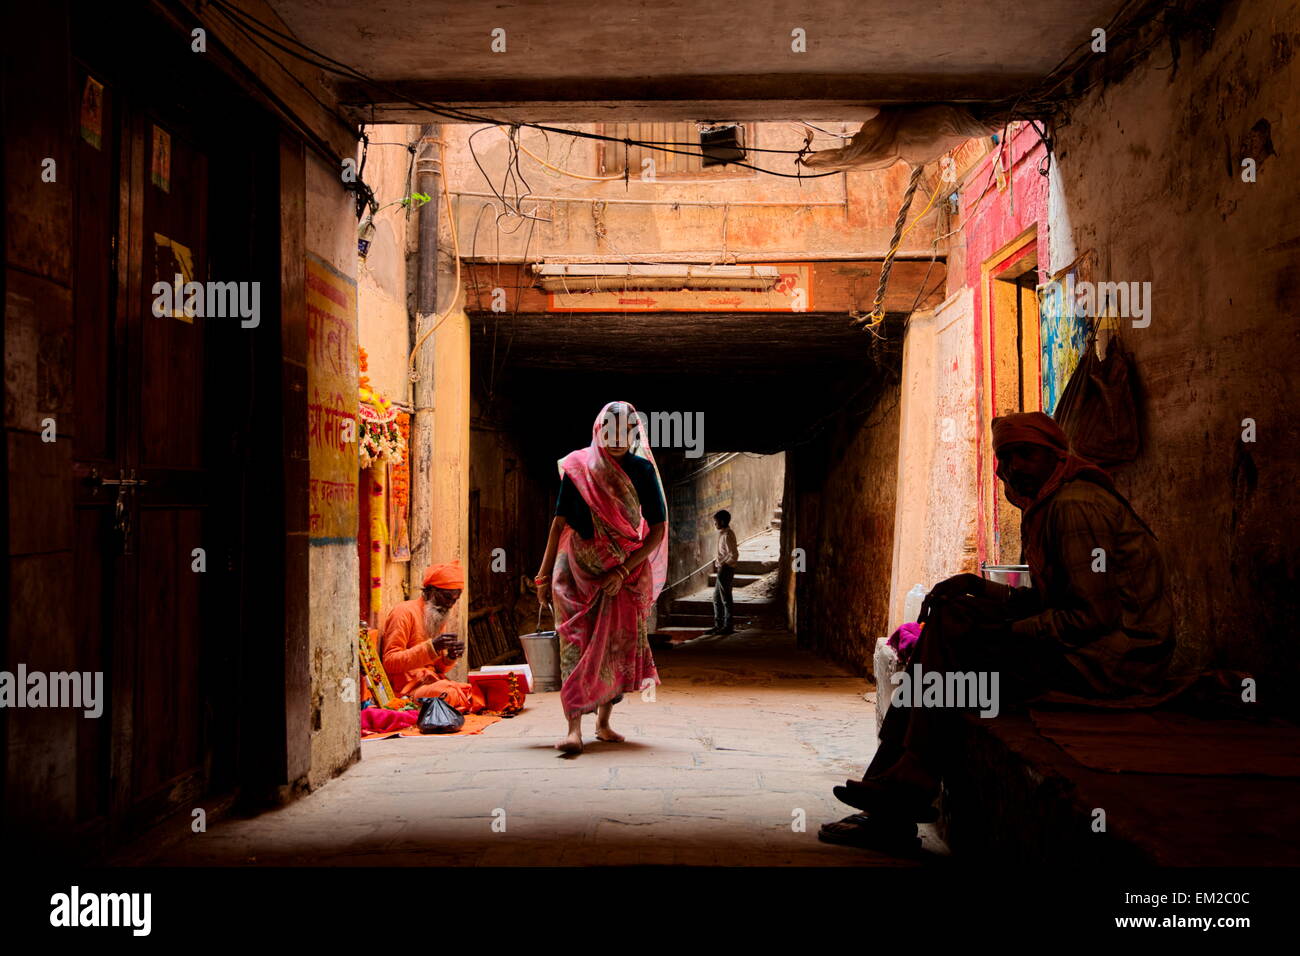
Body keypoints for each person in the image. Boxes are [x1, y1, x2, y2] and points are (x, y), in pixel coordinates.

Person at [820, 411, 1174, 854]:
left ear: (1055, 455)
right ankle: (902, 780)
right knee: (951, 617)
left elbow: (1089, 618)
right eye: (1005, 458)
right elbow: (1051, 602)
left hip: (1113, 660)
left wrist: (1002, 635)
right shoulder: (1048, 503)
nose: (1013, 467)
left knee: (951, 646)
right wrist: (975, 588)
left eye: (1026, 454)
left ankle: (902, 785)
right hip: (1086, 648)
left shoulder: (1075, 506)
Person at [535, 401, 668, 754]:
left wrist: (624, 570)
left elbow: (657, 530)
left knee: (614, 647)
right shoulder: (579, 466)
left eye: (625, 432)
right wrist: (543, 573)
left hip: (622, 575)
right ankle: (573, 728)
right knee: (574, 646)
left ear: (634, 434)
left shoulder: (641, 471)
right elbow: (558, 523)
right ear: (598, 431)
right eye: (609, 431)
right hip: (573, 572)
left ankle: (604, 723)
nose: (616, 439)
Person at [379, 561, 481, 713]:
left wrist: (450, 657)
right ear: (431, 591)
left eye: (455, 599)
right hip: (407, 691)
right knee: (449, 693)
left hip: (432, 683)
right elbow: (390, 662)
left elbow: (439, 669)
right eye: (447, 598)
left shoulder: (437, 615)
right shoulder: (404, 612)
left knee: (485, 691)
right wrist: (431, 647)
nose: (450, 604)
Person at [701, 509, 739, 637]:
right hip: (722, 569)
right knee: (717, 598)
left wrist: (723, 564)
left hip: (726, 569)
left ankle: (728, 626)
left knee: (725, 598)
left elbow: (734, 555)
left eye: (716, 521)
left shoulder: (728, 535)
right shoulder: (723, 534)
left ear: (722, 521)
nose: (715, 524)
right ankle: (719, 625)